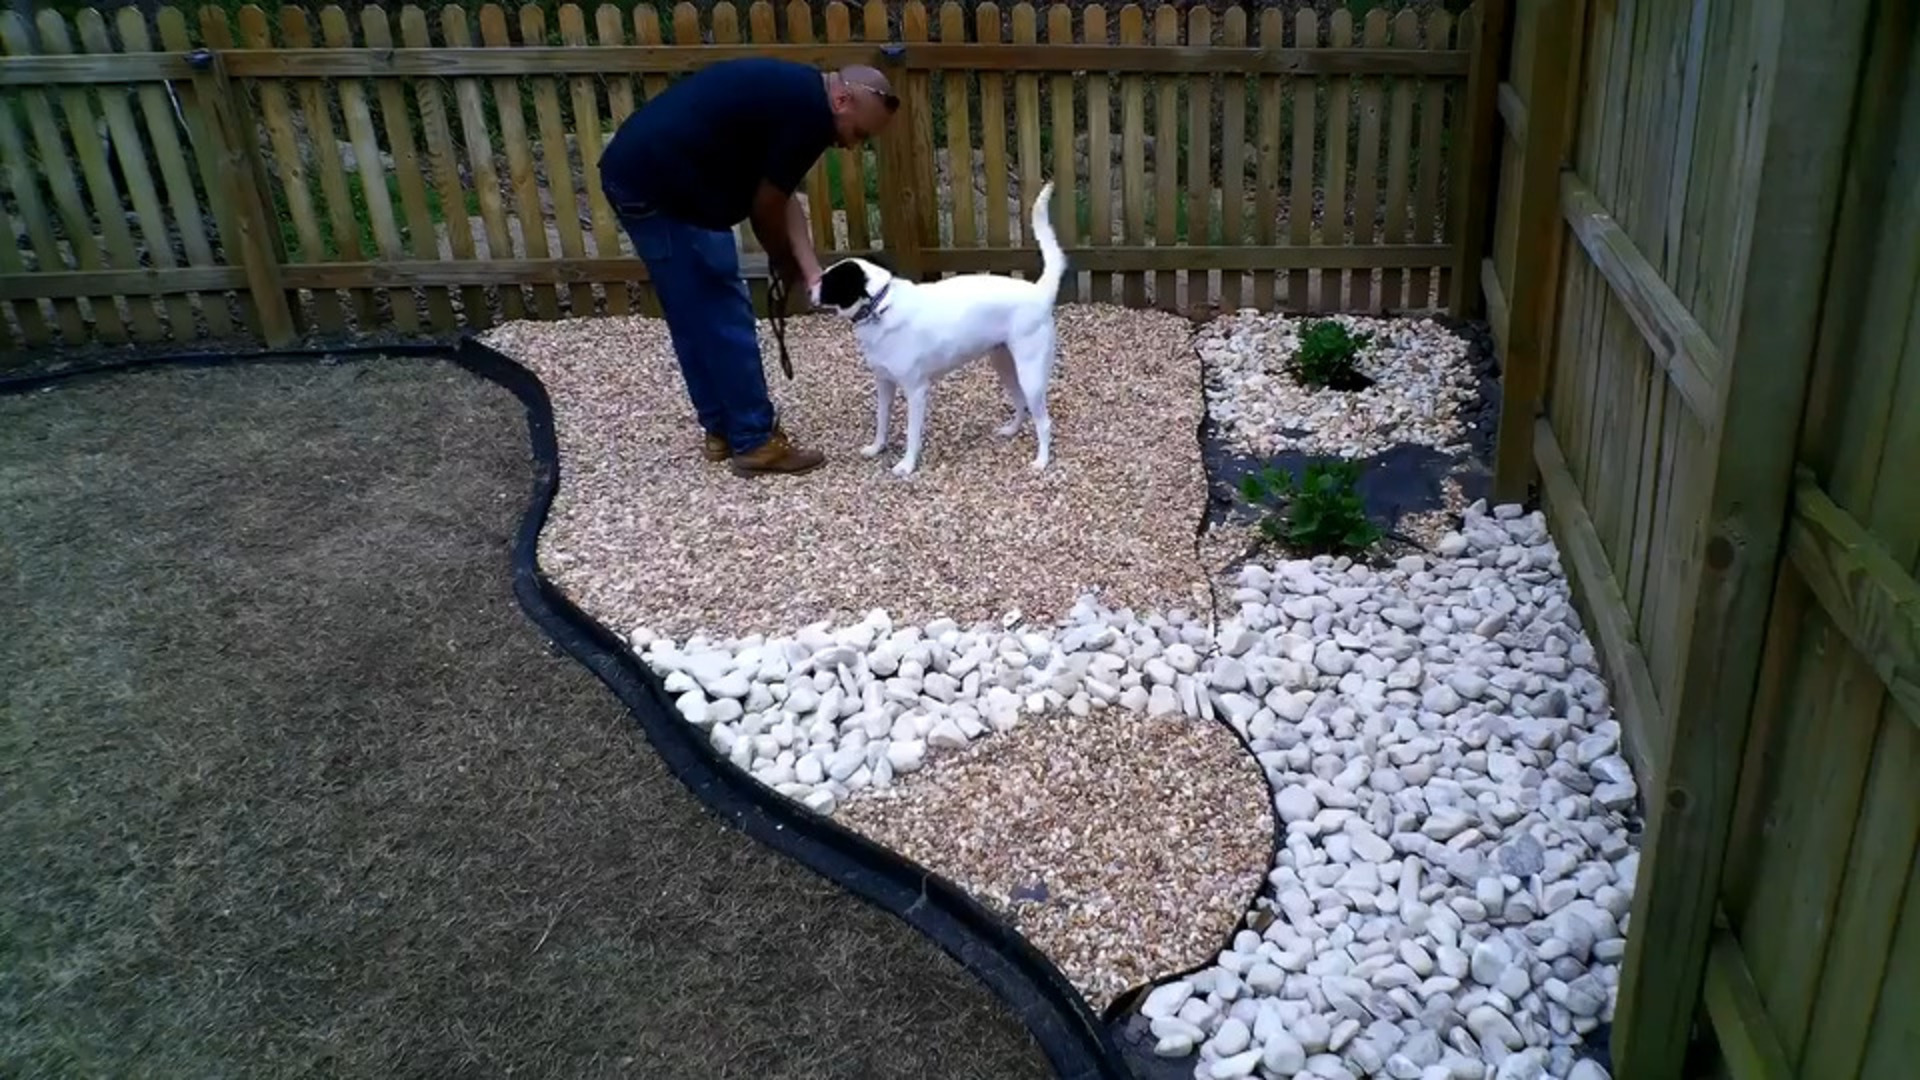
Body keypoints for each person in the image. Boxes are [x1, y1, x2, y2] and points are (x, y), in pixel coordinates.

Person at [597, 59, 900, 477]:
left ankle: (722, 430)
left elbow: (782, 191)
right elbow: (767, 207)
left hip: (634, 175)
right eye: (858, 133)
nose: (852, 146)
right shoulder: (812, 115)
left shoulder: (796, 94)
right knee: (722, 310)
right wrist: (781, 259)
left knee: (691, 311)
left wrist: (810, 272)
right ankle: (755, 440)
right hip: (666, 189)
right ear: (843, 100)